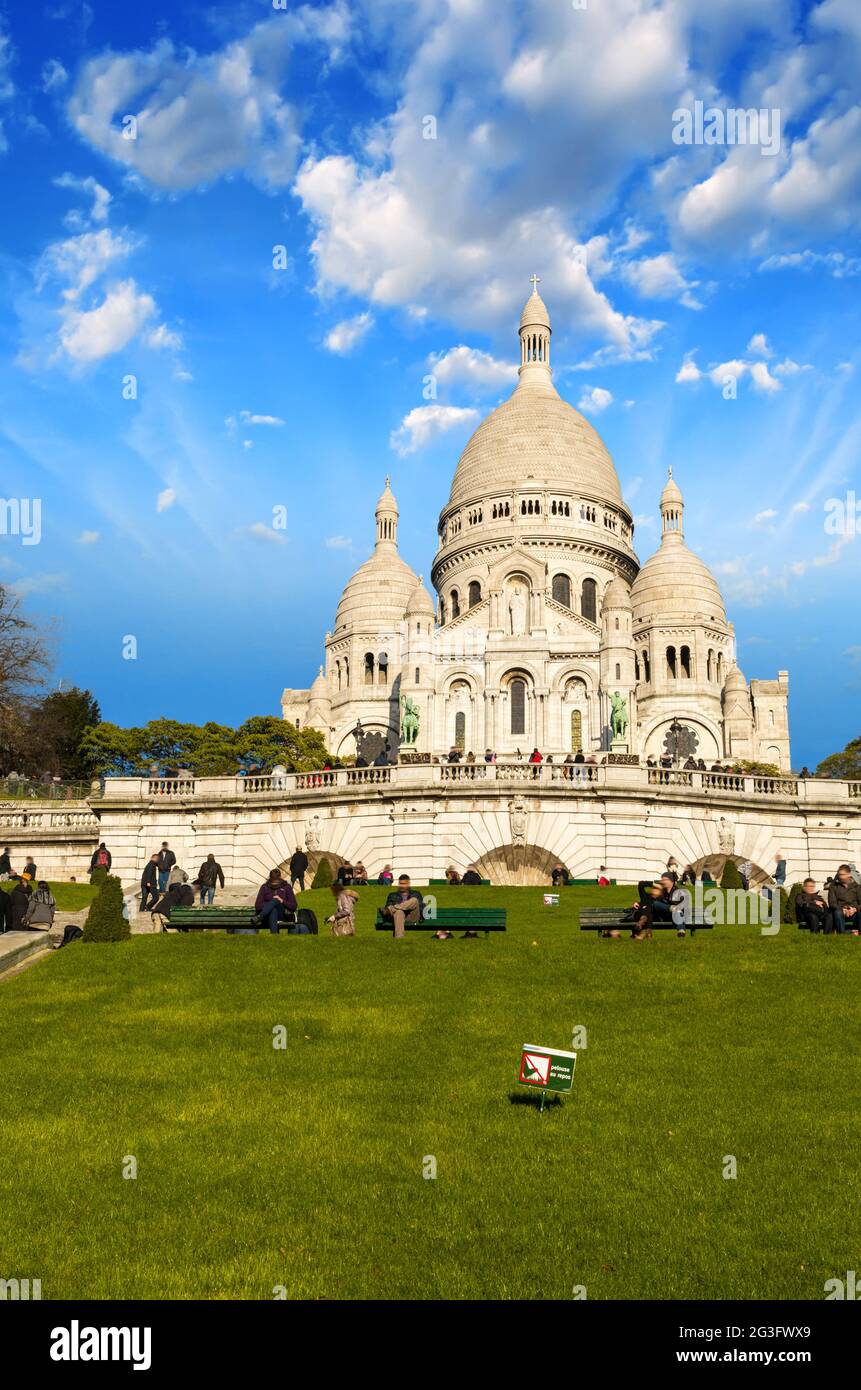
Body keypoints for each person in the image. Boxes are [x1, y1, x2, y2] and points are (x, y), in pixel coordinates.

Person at [255, 870, 297, 935]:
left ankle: (259, 917)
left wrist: (282, 901)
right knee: (273, 908)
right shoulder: (264, 887)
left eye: (276, 882)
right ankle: (274, 935)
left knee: (276, 900)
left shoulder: (286, 887)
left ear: (280, 878)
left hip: (282, 915)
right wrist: (270, 905)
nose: (274, 884)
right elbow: (257, 906)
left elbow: (294, 906)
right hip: (267, 916)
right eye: (273, 882)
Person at [382, 875, 424, 939]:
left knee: (414, 900)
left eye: (404, 884)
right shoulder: (392, 895)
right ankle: (399, 938)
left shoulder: (416, 893)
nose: (402, 886)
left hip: (412, 916)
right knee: (399, 912)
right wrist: (400, 908)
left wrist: (394, 908)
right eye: (400, 884)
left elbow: (421, 907)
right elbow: (388, 907)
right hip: (399, 917)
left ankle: (393, 908)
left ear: (408, 884)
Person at [828, 864, 861, 935]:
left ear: (849, 874)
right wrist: (843, 909)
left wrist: (855, 909)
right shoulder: (834, 886)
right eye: (839, 874)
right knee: (837, 912)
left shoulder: (857, 887)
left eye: (843, 875)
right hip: (840, 912)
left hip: (854, 912)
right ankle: (842, 934)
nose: (840, 877)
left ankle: (859, 933)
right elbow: (832, 903)